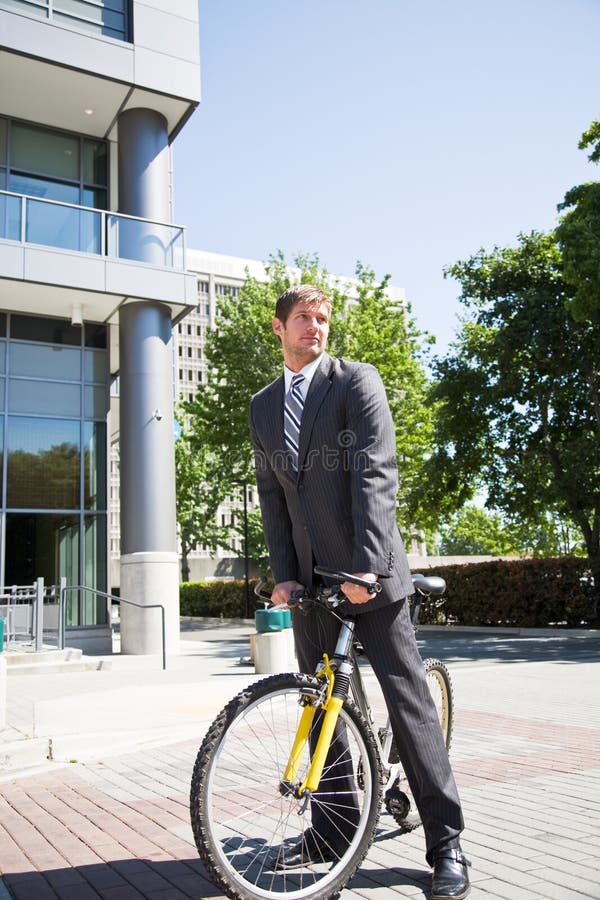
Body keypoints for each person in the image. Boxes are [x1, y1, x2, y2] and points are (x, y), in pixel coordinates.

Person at [249, 283, 470, 900]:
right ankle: (332, 831)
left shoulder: (355, 382)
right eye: (302, 318)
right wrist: (285, 574)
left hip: (371, 576)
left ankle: (447, 843)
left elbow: (375, 471)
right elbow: (273, 495)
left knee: (408, 703)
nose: (314, 327)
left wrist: (366, 567)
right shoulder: (263, 406)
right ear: (279, 328)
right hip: (312, 584)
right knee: (321, 703)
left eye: (322, 318)